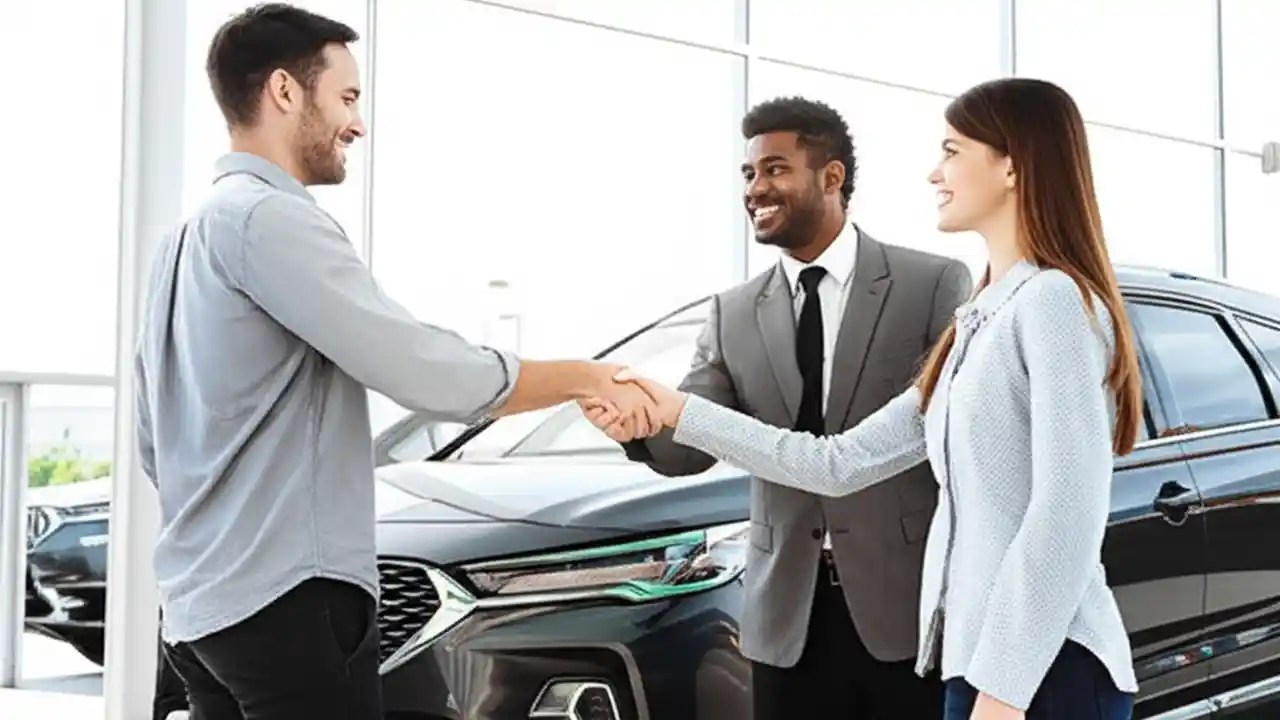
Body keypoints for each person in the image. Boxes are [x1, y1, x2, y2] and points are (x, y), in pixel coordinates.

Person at [133, 4, 655, 719]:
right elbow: (423, 369)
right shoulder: (270, 220)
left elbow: (151, 441)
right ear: (285, 92)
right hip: (284, 602)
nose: (357, 123)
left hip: (199, 614)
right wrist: (583, 377)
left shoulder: (179, 244)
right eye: (346, 97)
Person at [587, 77, 1142, 720]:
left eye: (953, 151)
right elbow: (837, 463)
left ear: (1012, 165)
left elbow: (1066, 518)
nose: (936, 173)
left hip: (1042, 672)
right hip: (977, 666)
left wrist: (1003, 692)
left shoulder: (1052, 303)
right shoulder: (978, 318)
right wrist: (676, 410)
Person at [607, 96, 972, 718]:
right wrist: (636, 426)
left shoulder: (933, 284)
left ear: (832, 177)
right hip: (785, 622)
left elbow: (948, 436)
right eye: (749, 174)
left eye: (775, 169)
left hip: (902, 610)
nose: (756, 188)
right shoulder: (732, 313)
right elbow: (690, 441)